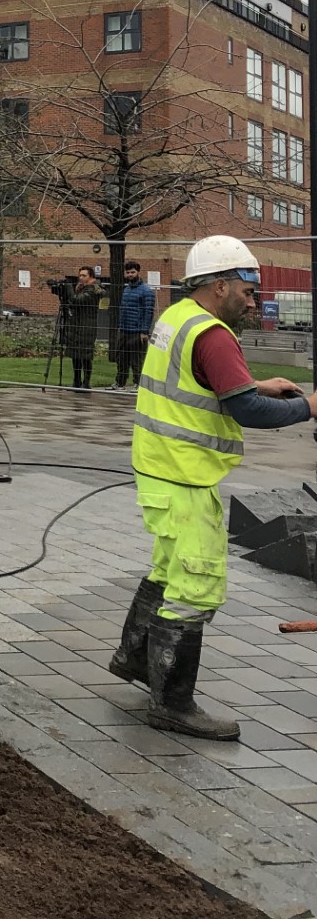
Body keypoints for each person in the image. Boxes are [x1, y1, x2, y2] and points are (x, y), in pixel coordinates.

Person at [109, 235, 317, 740]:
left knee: (167, 569)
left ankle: (135, 660)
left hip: (159, 468)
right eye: (248, 290)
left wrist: (254, 382)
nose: (254, 299)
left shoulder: (178, 318)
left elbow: (211, 385)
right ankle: (173, 704)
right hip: (184, 474)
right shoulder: (215, 335)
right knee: (195, 584)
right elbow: (248, 411)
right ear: (219, 285)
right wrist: (309, 407)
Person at [113, 260, 155, 388]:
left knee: (137, 360)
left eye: (133, 272)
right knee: (121, 359)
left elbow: (148, 312)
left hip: (137, 331)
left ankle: (138, 383)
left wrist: (144, 331)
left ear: (138, 272)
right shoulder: (126, 290)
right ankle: (120, 382)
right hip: (124, 329)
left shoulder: (146, 291)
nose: (130, 275)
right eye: (128, 272)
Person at [65, 266, 103, 389]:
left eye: (84, 275)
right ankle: (76, 380)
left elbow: (77, 300)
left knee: (85, 355)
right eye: (80, 275)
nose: (81, 278)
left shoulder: (93, 290)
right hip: (76, 324)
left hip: (87, 326)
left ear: (91, 277)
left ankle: (86, 382)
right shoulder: (80, 288)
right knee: (75, 354)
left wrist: (69, 289)